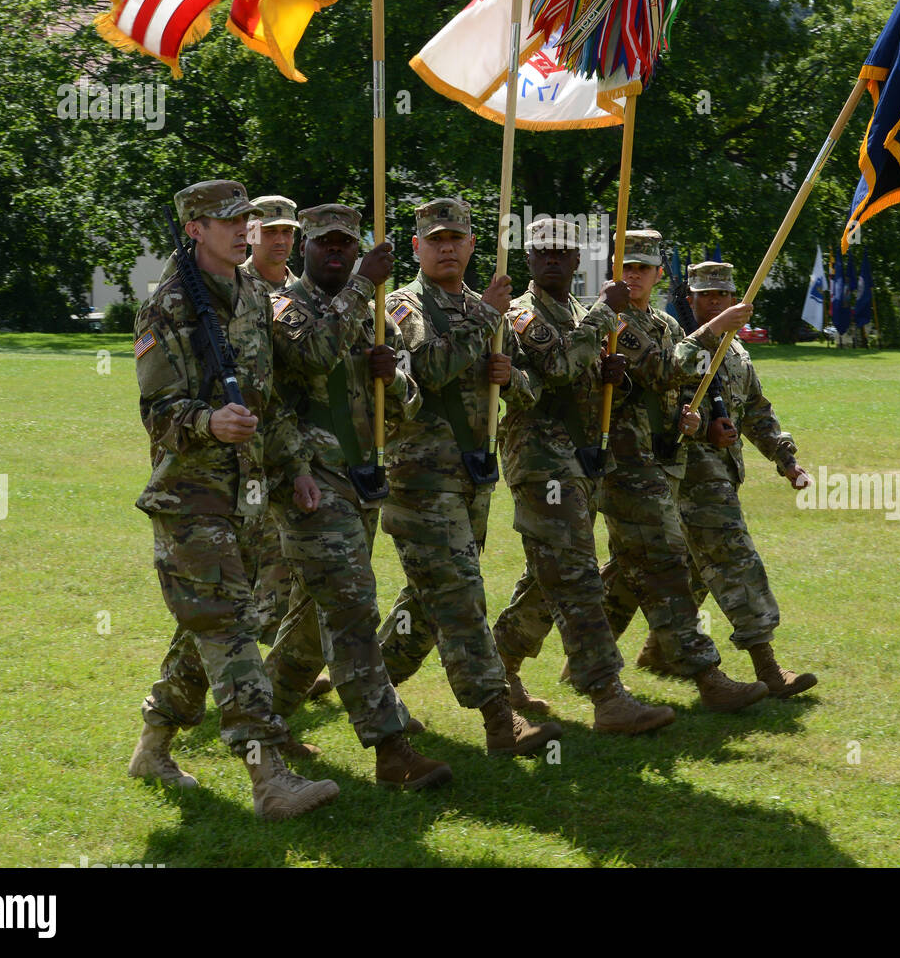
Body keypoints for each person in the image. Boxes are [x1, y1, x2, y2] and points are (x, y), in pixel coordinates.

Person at [126, 179, 340, 821]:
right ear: (194, 229)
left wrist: (295, 467)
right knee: (227, 630)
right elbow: (156, 411)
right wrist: (207, 423)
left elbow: (264, 398)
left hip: (249, 493)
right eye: (228, 221)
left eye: (246, 218)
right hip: (191, 497)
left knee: (213, 625)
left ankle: (153, 747)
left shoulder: (251, 293)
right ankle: (268, 777)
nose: (243, 229)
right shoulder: (168, 304)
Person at [264, 204, 450, 789]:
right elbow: (312, 352)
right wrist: (366, 285)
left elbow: (411, 403)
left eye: (347, 242)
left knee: (311, 619)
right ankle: (390, 748)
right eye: (326, 244)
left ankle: (261, 723)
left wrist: (390, 373)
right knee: (351, 609)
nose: (337, 252)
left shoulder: (374, 316)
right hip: (309, 483)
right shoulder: (283, 307)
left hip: (363, 480)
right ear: (305, 250)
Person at [376, 197, 561, 756]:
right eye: (435, 239)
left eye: (456, 238)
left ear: (473, 244)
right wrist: (487, 317)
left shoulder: (484, 309)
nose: (447, 247)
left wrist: (509, 377)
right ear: (416, 248)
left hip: (473, 480)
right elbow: (425, 368)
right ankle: (498, 720)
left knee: (430, 602)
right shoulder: (401, 305)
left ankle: (370, 684)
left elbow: (526, 391)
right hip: (420, 480)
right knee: (460, 595)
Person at [491, 217, 675, 735]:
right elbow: (557, 366)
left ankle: (498, 663)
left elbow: (585, 370)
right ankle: (608, 697)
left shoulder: (579, 310)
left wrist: (607, 371)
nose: (553, 258)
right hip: (541, 464)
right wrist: (603, 319)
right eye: (542, 251)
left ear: (577, 261)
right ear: (528, 260)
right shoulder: (522, 313)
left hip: (583, 459)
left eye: (562, 251)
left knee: (547, 578)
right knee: (576, 575)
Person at [591, 231, 769, 712]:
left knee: (631, 572)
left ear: (658, 274)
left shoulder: (665, 322)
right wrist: (715, 329)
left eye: (643, 268)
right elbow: (660, 370)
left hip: (663, 463)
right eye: (626, 266)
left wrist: (690, 421)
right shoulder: (612, 321)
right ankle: (707, 678)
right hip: (623, 466)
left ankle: (581, 662)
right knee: (666, 566)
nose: (633, 275)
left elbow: (674, 391)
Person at [656, 260, 818, 698]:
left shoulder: (738, 353)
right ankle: (767, 666)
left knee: (684, 570)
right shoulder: (677, 342)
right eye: (705, 296)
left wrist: (786, 461)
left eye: (723, 295)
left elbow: (757, 413)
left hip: (722, 476)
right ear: (690, 300)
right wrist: (701, 427)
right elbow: (658, 395)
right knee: (734, 561)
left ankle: (654, 652)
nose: (715, 303)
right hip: (688, 477)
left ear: (735, 299)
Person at [240, 194, 301, 643]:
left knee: (286, 562)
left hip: (296, 447)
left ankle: (277, 663)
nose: (280, 239)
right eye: (270, 230)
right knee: (241, 563)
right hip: (242, 448)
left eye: (288, 232)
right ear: (250, 233)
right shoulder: (228, 288)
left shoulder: (303, 293)